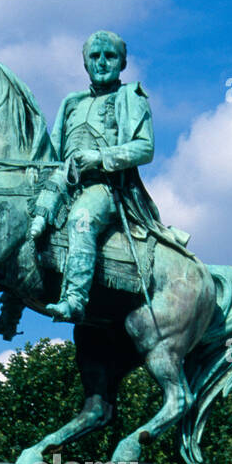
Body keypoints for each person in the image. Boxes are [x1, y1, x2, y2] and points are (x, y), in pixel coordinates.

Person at [32, 30, 167, 324]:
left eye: (110, 56)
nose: (102, 63)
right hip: (65, 183)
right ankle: (11, 308)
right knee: (25, 218)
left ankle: (74, 300)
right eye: (95, 56)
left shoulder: (130, 96)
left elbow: (145, 148)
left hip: (105, 188)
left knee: (81, 218)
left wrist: (100, 158)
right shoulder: (71, 101)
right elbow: (53, 151)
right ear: (85, 63)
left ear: (122, 63)